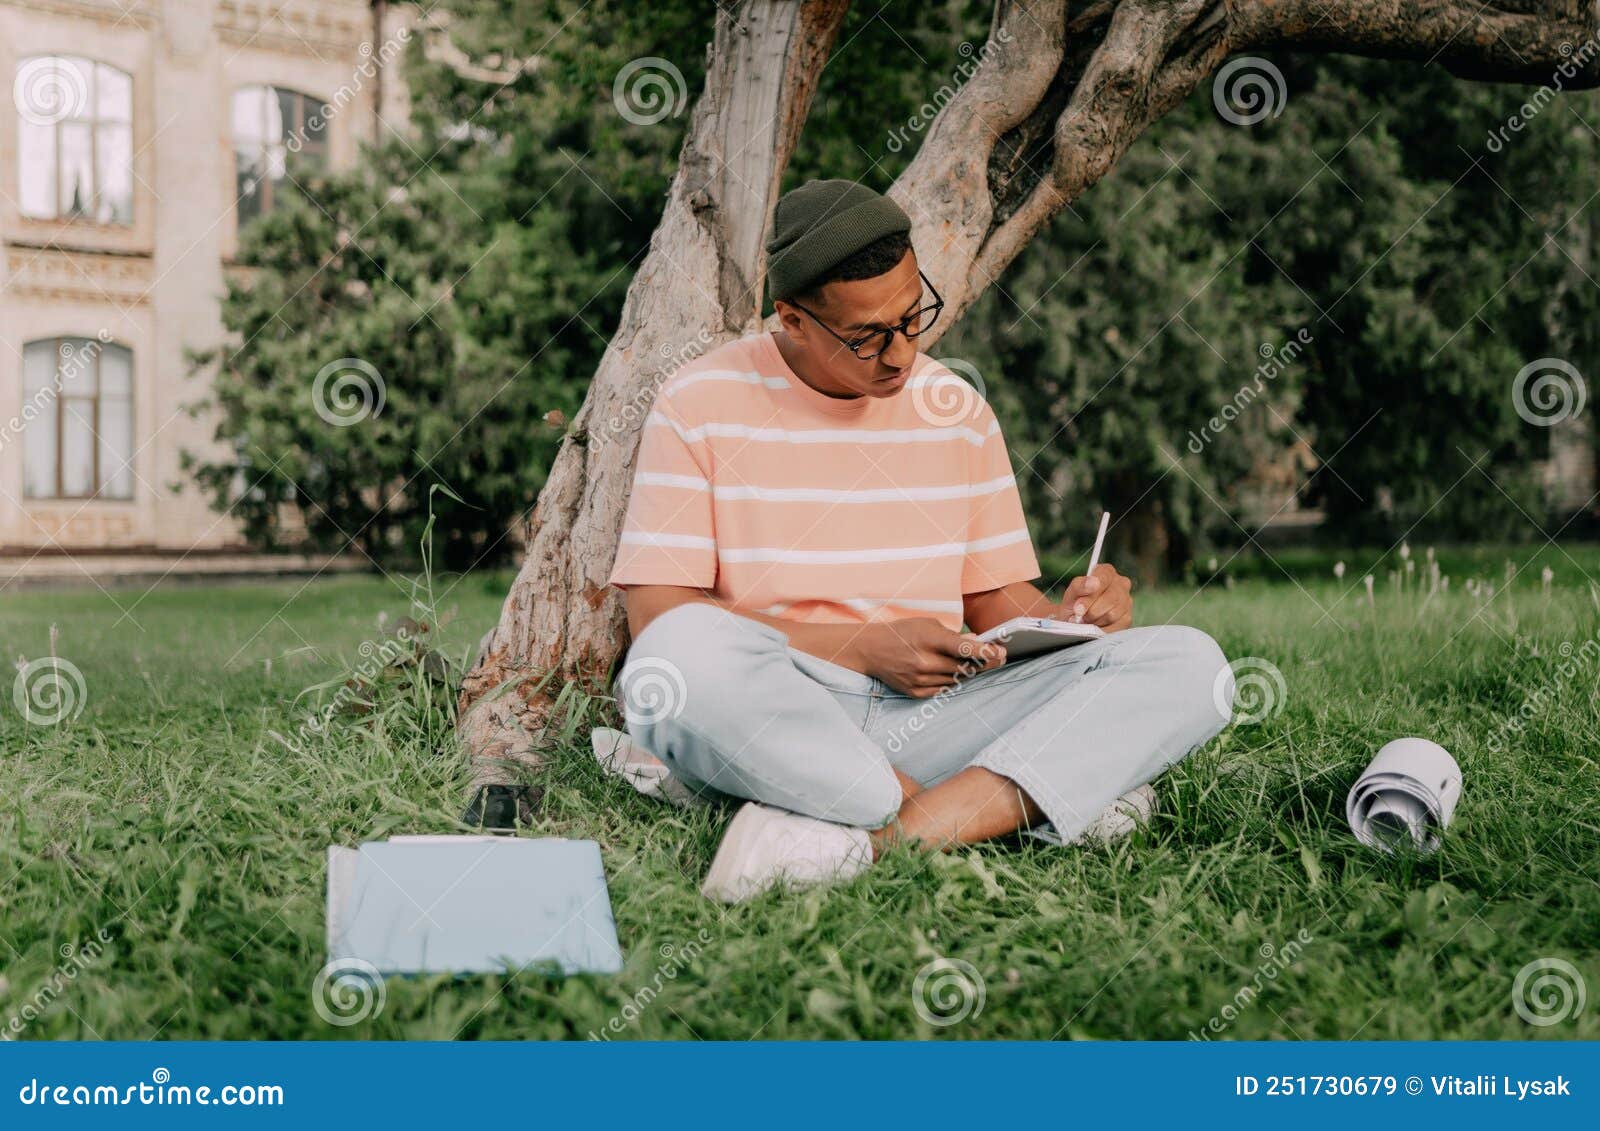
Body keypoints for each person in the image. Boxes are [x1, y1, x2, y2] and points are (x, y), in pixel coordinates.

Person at [606, 178, 1233, 903]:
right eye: (868, 336)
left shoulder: (956, 412)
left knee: (1191, 662)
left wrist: (1074, 621)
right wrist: (861, 644)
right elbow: (659, 619)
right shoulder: (699, 402)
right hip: (788, 708)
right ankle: (1017, 798)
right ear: (793, 319)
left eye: (913, 318)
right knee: (671, 665)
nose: (902, 355)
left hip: (939, 712)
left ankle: (875, 835)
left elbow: (998, 605)